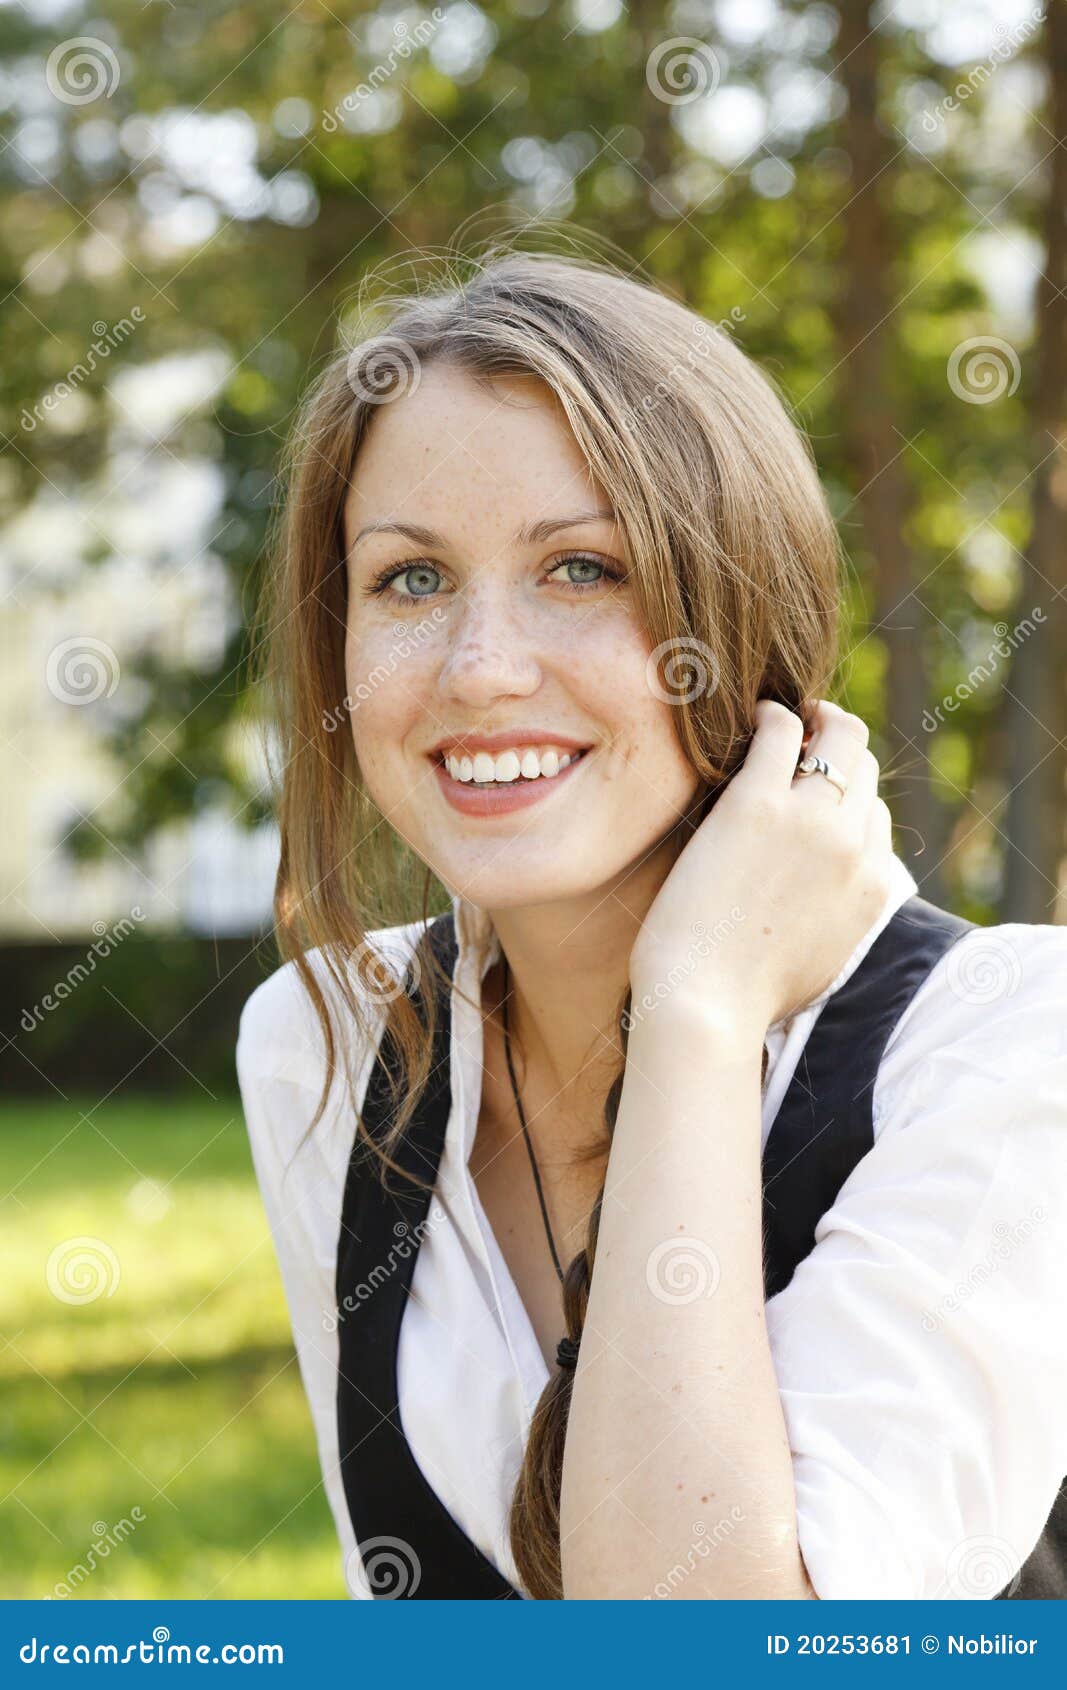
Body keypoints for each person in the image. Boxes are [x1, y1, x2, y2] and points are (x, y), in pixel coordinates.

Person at [236, 248, 1067, 1601]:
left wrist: (696, 1008)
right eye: (407, 580)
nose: (482, 668)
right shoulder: (325, 1043)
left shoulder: (1006, 1044)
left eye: (580, 568)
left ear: (740, 609)